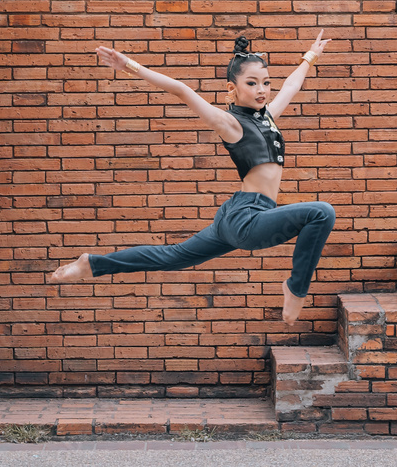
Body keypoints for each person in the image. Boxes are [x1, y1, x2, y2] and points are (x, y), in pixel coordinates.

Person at [49, 32, 335, 325]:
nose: (262, 90)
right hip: (246, 219)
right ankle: (296, 290)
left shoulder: (268, 118)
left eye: (265, 83)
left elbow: (291, 86)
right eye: (251, 83)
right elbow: (181, 89)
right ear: (232, 88)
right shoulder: (229, 123)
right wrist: (130, 66)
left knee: (172, 257)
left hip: (236, 216)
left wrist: (310, 57)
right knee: (321, 213)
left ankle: (91, 264)